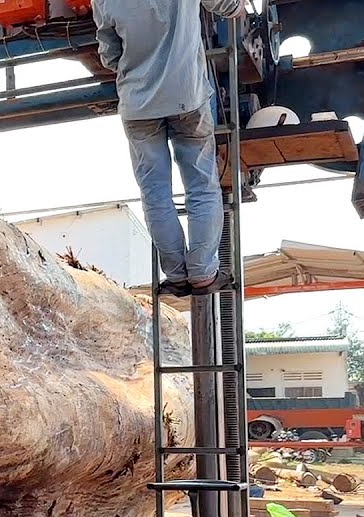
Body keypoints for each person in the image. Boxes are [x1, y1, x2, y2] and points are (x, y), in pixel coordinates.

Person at [93, 0, 245, 297]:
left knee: (155, 194)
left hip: (138, 106)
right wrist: (239, 8)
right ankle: (203, 273)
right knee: (201, 186)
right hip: (187, 97)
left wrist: (139, 65)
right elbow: (227, 6)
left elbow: (109, 55)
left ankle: (176, 274)